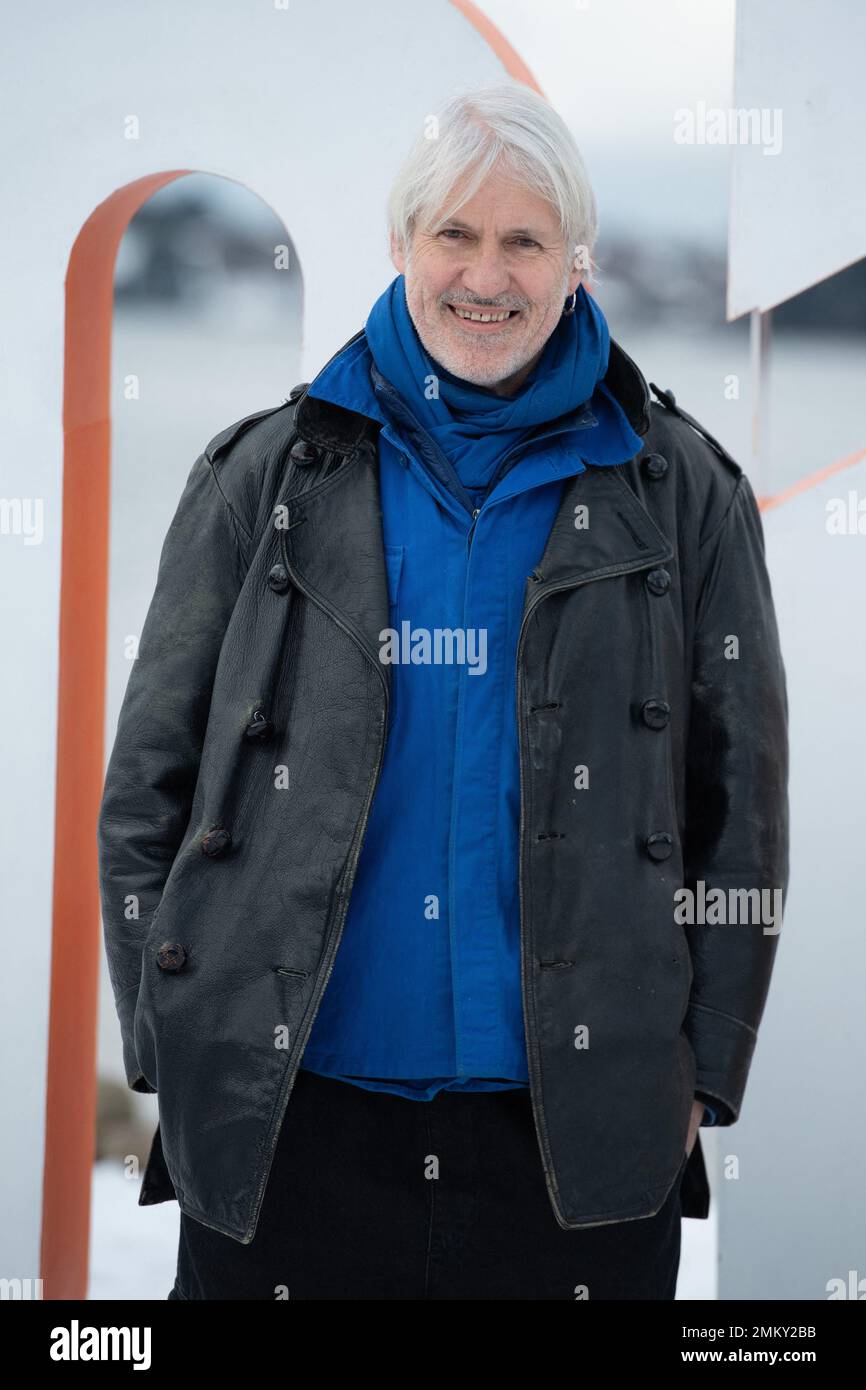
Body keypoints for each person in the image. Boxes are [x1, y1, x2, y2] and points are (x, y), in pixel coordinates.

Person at [98, 81, 789, 1300]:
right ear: (401, 246)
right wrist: (174, 1038)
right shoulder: (260, 473)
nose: (487, 274)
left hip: (574, 1145)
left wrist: (698, 1073)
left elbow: (740, 809)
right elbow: (146, 785)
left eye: (523, 239)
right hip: (286, 1122)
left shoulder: (683, 490)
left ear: (574, 261)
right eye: (454, 235)